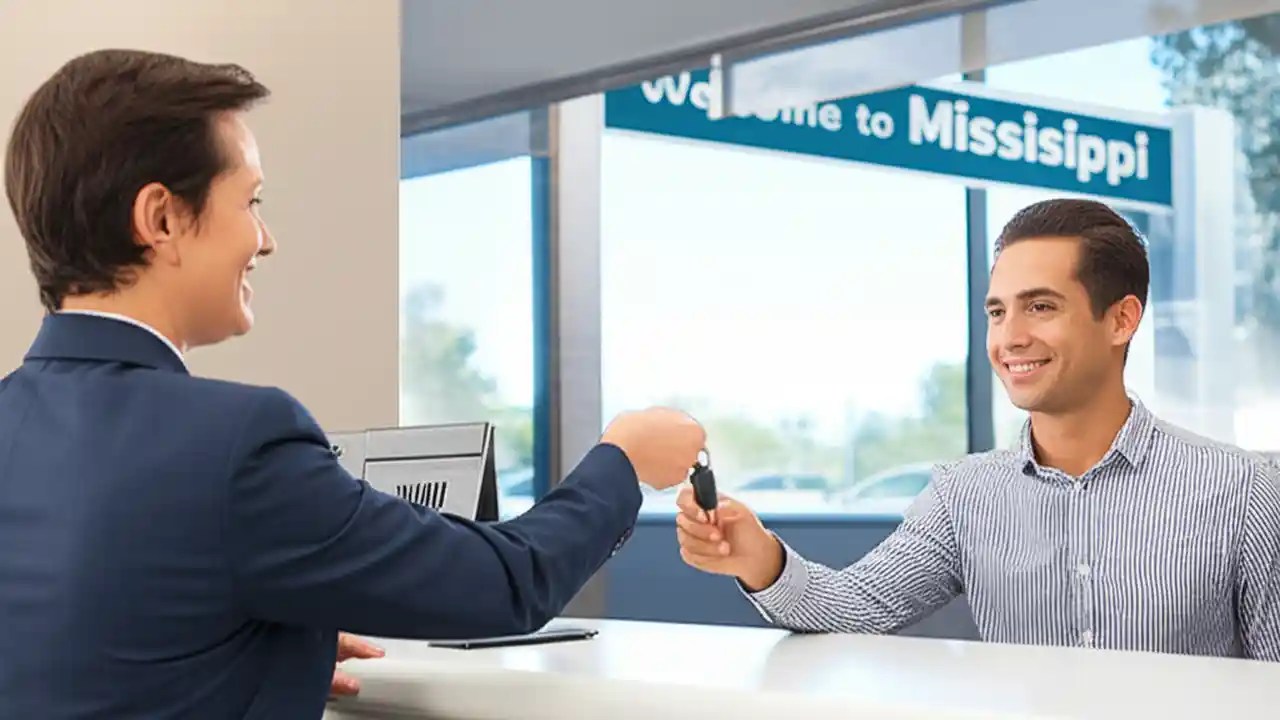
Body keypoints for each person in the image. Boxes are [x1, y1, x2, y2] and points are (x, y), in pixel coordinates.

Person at [0, 49, 705, 718]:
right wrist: (624, 462)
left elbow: (85, 638)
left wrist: (271, 639)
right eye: (251, 201)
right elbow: (505, 584)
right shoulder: (232, 445)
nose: (264, 238)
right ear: (161, 218)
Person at [676, 198, 1280, 660]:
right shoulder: (962, 495)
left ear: (1121, 319)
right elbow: (856, 607)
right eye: (998, 311)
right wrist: (761, 560)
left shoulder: (1245, 488)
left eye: (1040, 307)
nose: (1009, 337)